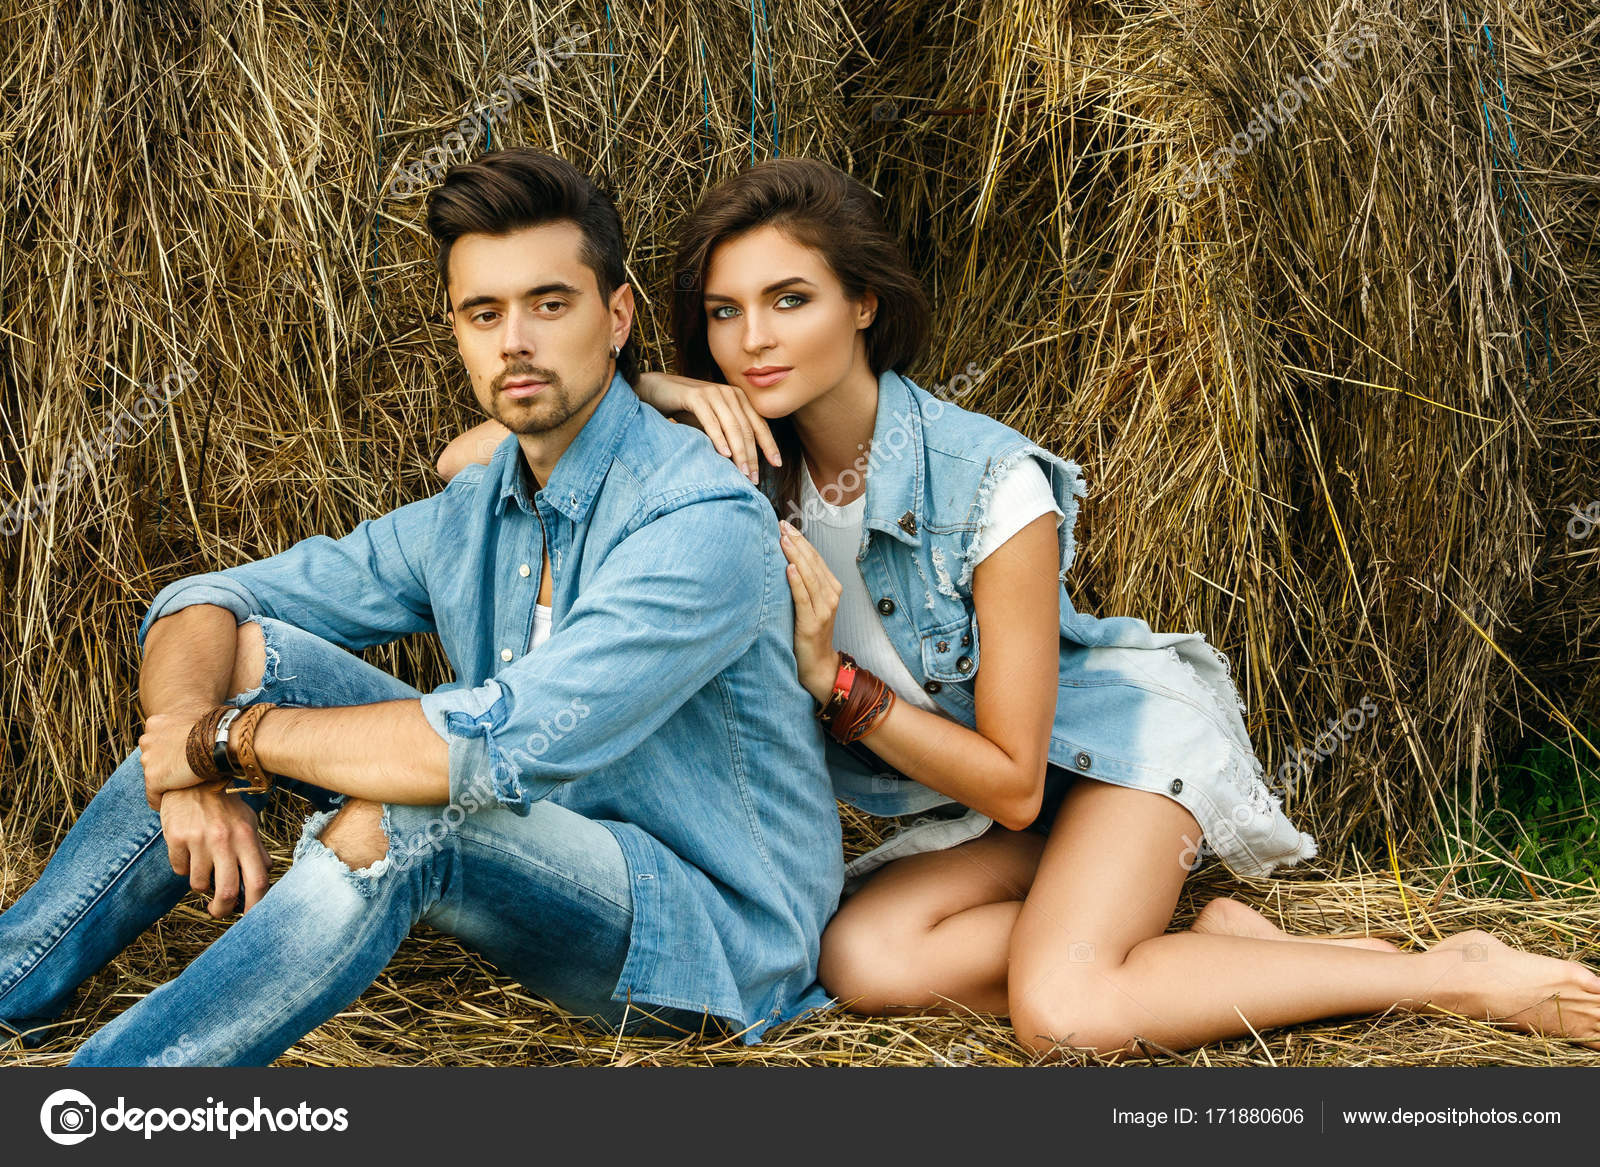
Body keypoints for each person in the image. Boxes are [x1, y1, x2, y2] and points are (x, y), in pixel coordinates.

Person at [438, 156, 1600, 1058]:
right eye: (726, 313)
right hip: (986, 803)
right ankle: (1213, 955)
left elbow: (1012, 778)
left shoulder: (994, 485)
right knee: (863, 958)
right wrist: (653, 388)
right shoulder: (725, 458)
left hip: (1100, 762)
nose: (753, 341)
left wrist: (828, 684)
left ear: (863, 308)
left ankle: (1449, 972)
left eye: (788, 300)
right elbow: (466, 461)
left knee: (1063, 1012)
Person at [0, 147, 843, 1066]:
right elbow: (203, 598)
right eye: (485, 313)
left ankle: (108, 1099)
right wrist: (187, 756)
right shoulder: (471, 511)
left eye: (549, 304)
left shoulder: (700, 520)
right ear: (458, 331)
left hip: (711, 936)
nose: (514, 340)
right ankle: (13, 984)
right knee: (246, 651)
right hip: (545, 842)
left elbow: (484, 747)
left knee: (403, 823)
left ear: (618, 317)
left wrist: (229, 740)